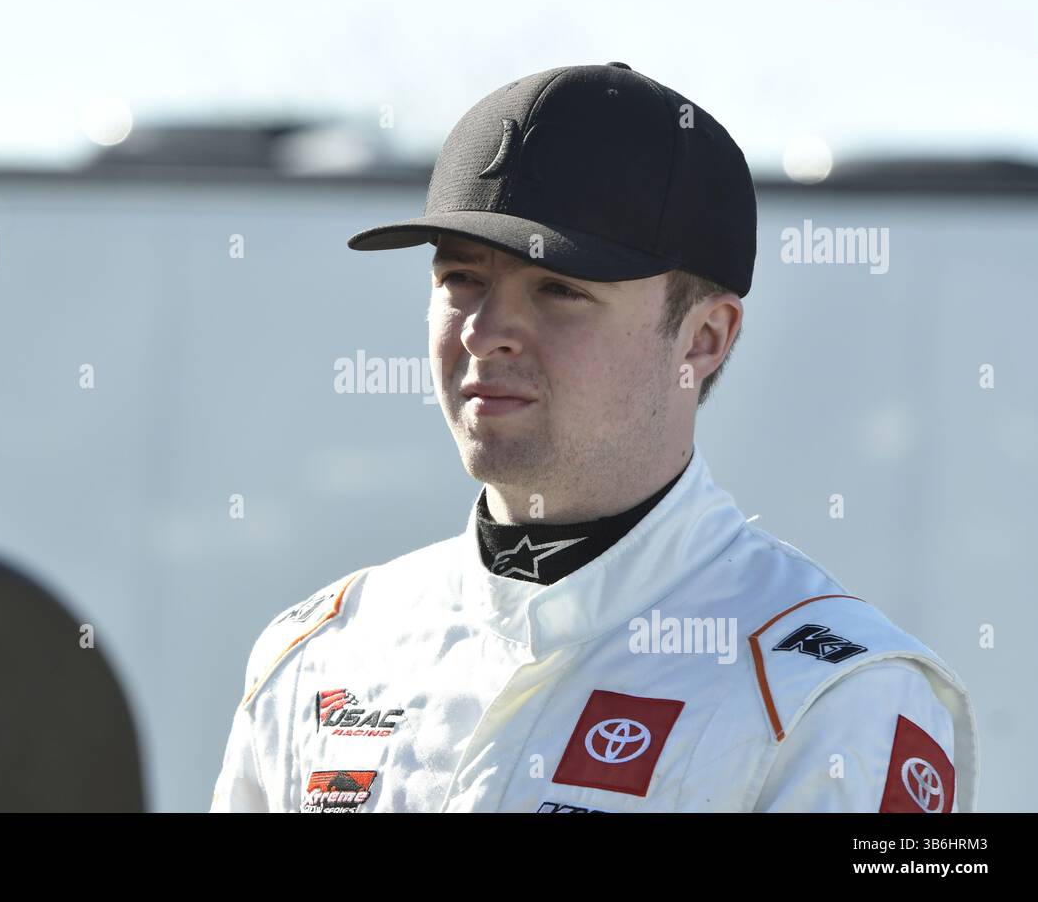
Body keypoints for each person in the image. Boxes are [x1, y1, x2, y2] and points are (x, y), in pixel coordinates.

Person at [209, 64, 977, 813]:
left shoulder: (838, 698)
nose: (484, 333)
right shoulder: (322, 653)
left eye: (558, 290)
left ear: (704, 338)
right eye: (460, 279)